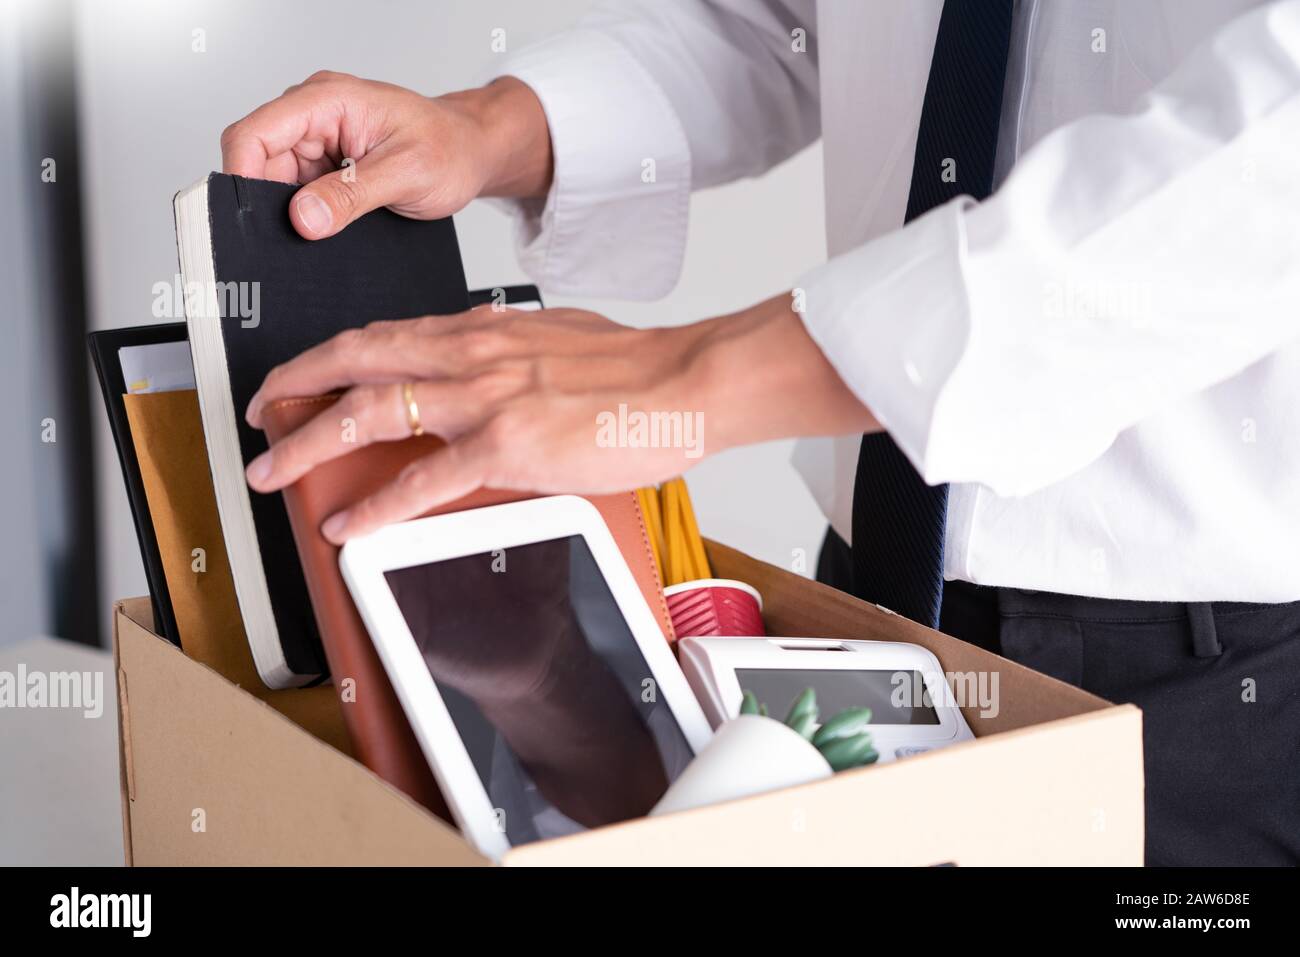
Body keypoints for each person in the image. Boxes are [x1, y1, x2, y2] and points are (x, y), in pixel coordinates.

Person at [228, 1, 1300, 865]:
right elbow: (787, 25)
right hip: (867, 602)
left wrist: (683, 375)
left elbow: (1267, 162)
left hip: (1210, 679)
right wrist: (498, 126)